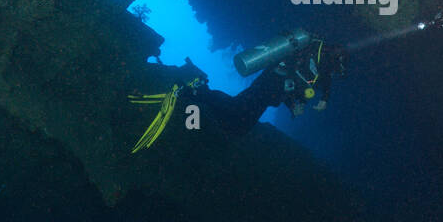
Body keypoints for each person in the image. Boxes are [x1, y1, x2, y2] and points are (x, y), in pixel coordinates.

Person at [130, 36, 346, 150]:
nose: (333, 74)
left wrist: (293, 106)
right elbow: (308, 79)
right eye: (337, 69)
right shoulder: (321, 59)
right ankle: (193, 89)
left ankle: (196, 91)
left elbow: (294, 87)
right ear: (335, 59)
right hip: (266, 88)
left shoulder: (313, 64)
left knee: (235, 123)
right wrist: (325, 98)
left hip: (267, 92)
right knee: (234, 115)